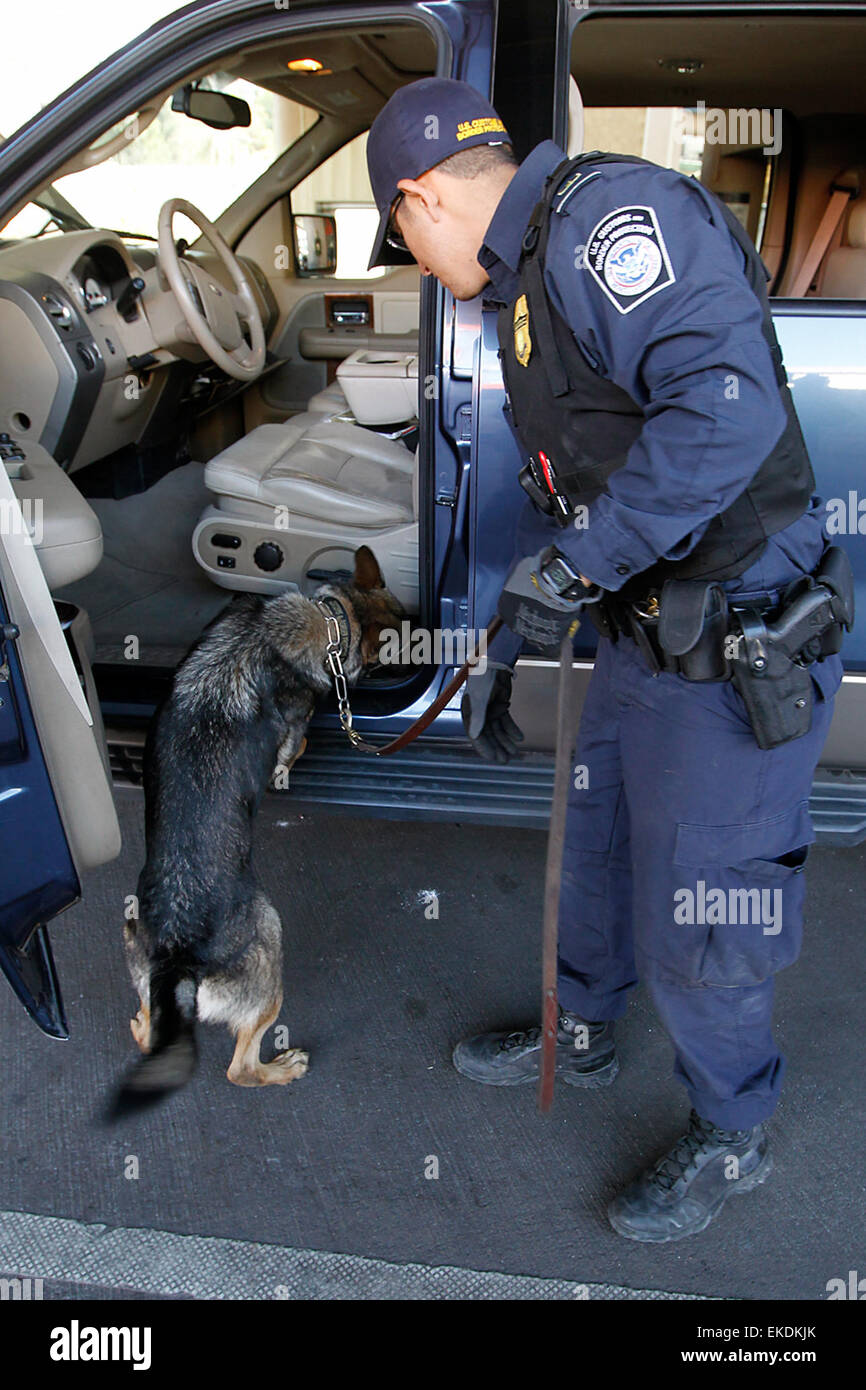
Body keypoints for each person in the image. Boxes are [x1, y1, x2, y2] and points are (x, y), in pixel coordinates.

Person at [365, 78, 850, 1242]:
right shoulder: (528, 269)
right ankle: (579, 1027)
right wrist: (503, 638)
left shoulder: (609, 226)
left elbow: (722, 411)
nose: (420, 268)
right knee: (590, 845)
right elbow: (583, 477)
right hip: (644, 625)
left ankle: (733, 1128)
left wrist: (573, 574)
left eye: (405, 240)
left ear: (426, 198)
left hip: (730, 637)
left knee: (703, 904)